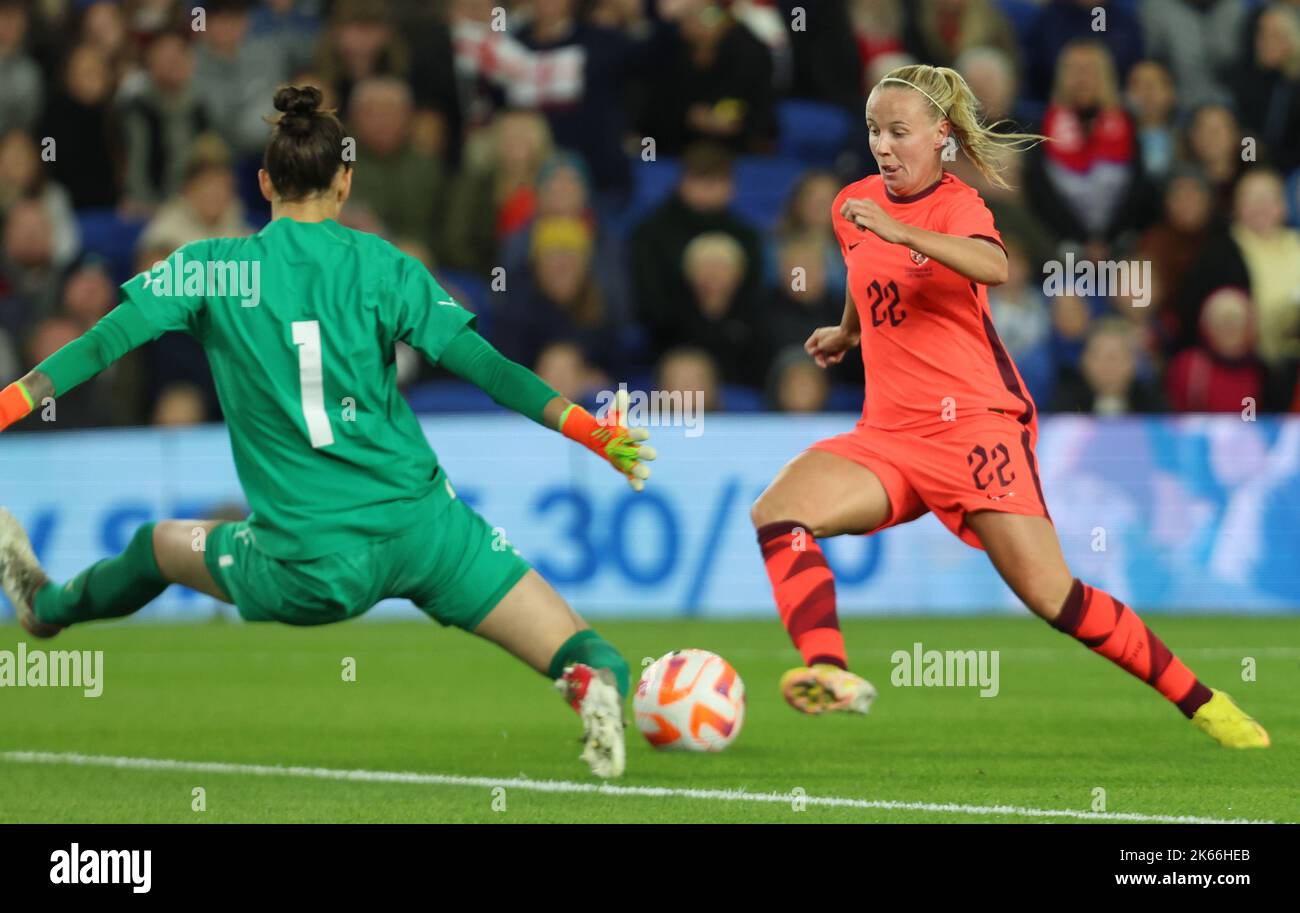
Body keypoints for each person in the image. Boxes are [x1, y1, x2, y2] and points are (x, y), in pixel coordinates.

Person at [0, 86, 657, 778]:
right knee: (588, 649)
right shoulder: (386, 266)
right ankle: (590, 685)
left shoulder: (208, 268)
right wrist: (588, 429)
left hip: (308, 560)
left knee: (159, 544)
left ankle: (46, 606)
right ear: (346, 182)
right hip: (426, 530)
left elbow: (97, 346)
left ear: (263, 184)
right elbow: (489, 369)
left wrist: (12, 403)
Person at [748, 63, 1269, 749]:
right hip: (889, 433)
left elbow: (992, 265)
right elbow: (863, 267)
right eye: (875, 129)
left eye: (898, 131)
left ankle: (1204, 702)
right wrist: (849, 329)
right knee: (778, 511)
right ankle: (828, 668)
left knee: (1054, 597)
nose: (882, 144)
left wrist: (906, 234)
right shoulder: (855, 205)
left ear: (939, 136)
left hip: (974, 428)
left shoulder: (959, 205)